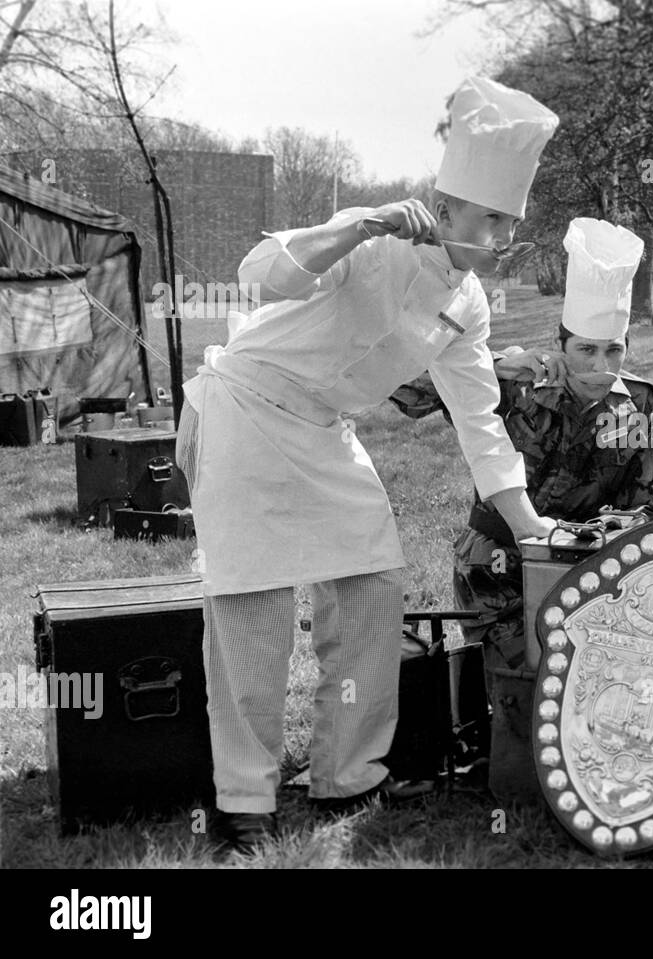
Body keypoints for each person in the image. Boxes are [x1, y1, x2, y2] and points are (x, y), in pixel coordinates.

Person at [174, 75, 559, 856]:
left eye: (510, 225)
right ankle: (243, 800)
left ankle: (347, 771)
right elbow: (260, 273)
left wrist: (531, 528)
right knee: (253, 606)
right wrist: (358, 225)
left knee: (374, 579)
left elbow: (480, 423)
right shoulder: (376, 240)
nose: (499, 239)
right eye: (489, 220)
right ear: (445, 207)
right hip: (245, 404)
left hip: (322, 427)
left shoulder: (472, 303)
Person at [390, 217, 653, 802]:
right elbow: (402, 392)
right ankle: (505, 764)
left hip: (588, 566)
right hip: (500, 567)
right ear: (561, 344)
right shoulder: (518, 385)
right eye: (585, 349)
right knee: (531, 679)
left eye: (613, 349)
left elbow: (646, 504)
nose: (599, 364)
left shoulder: (638, 402)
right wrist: (490, 366)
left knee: (599, 680)